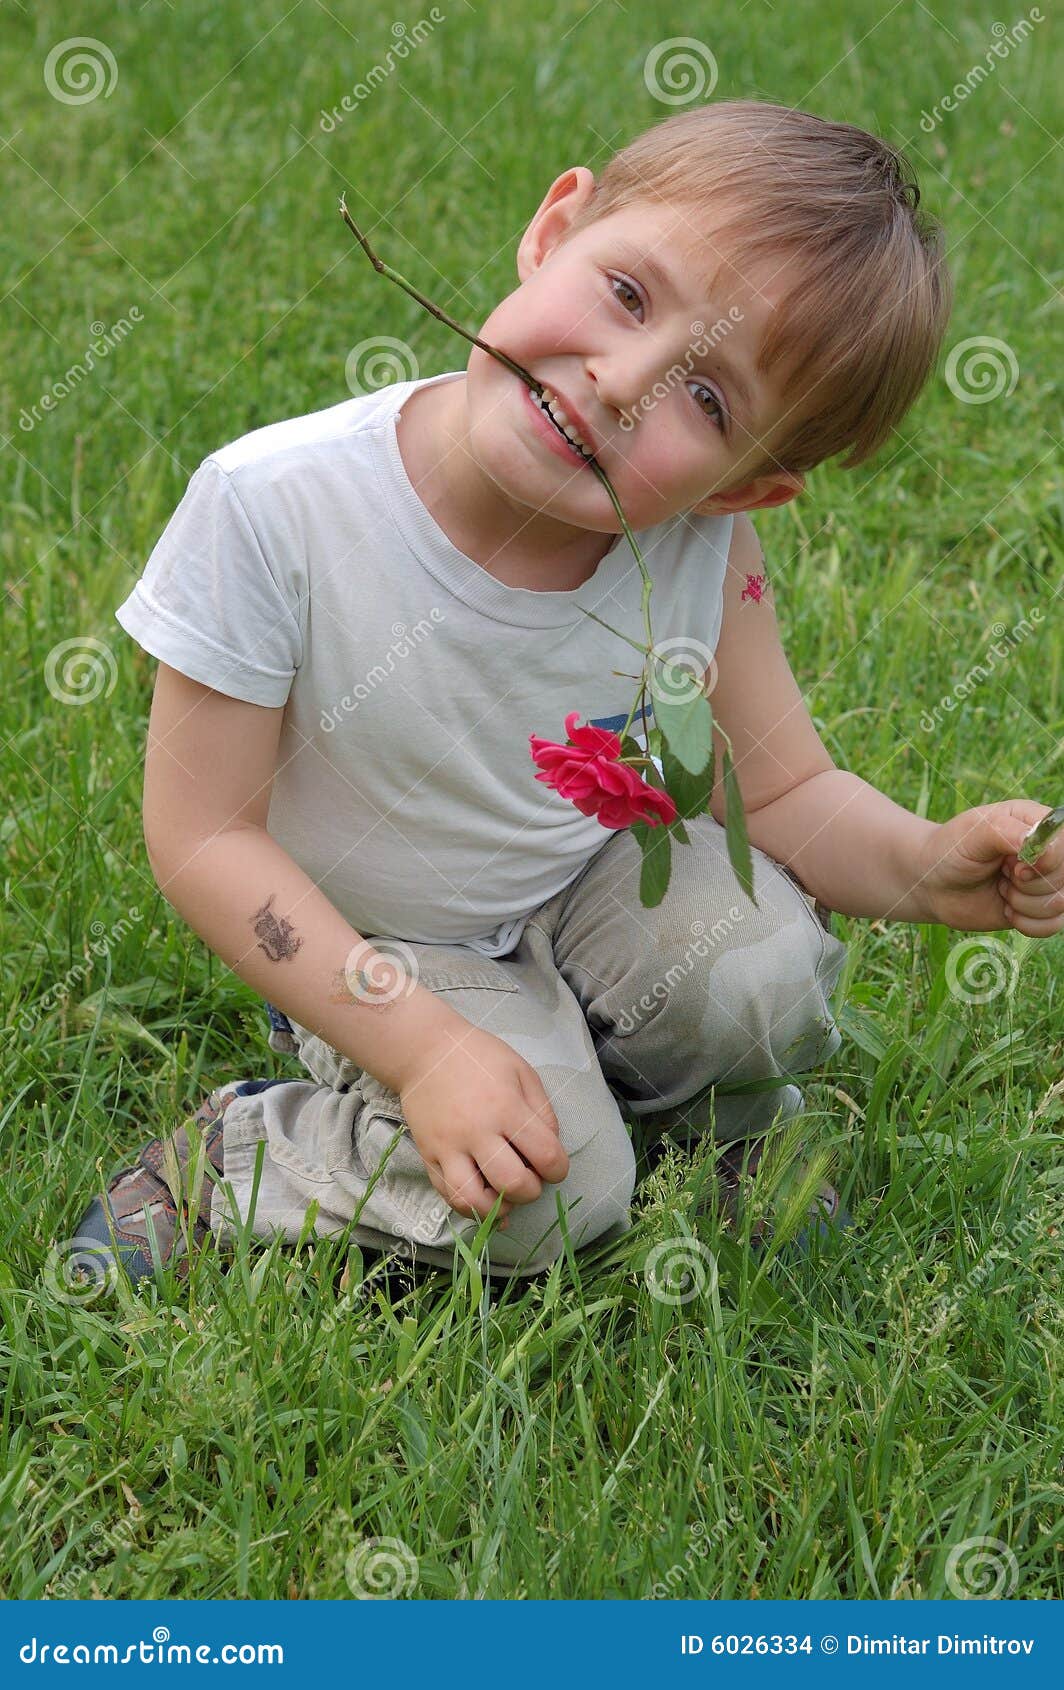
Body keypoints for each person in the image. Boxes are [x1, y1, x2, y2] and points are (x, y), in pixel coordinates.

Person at [74, 100, 1064, 1288]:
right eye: (629, 295)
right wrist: (423, 1045)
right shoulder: (275, 508)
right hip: (383, 954)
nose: (619, 381)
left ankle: (716, 1123)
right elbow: (204, 839)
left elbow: (784, 788)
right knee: (549, 1205)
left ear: (746, 491)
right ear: (554, 227)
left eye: (707, 403)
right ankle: (246, 1153)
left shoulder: (697, 548)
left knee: (764, 970)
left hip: (591, 890)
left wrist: (919, 862)